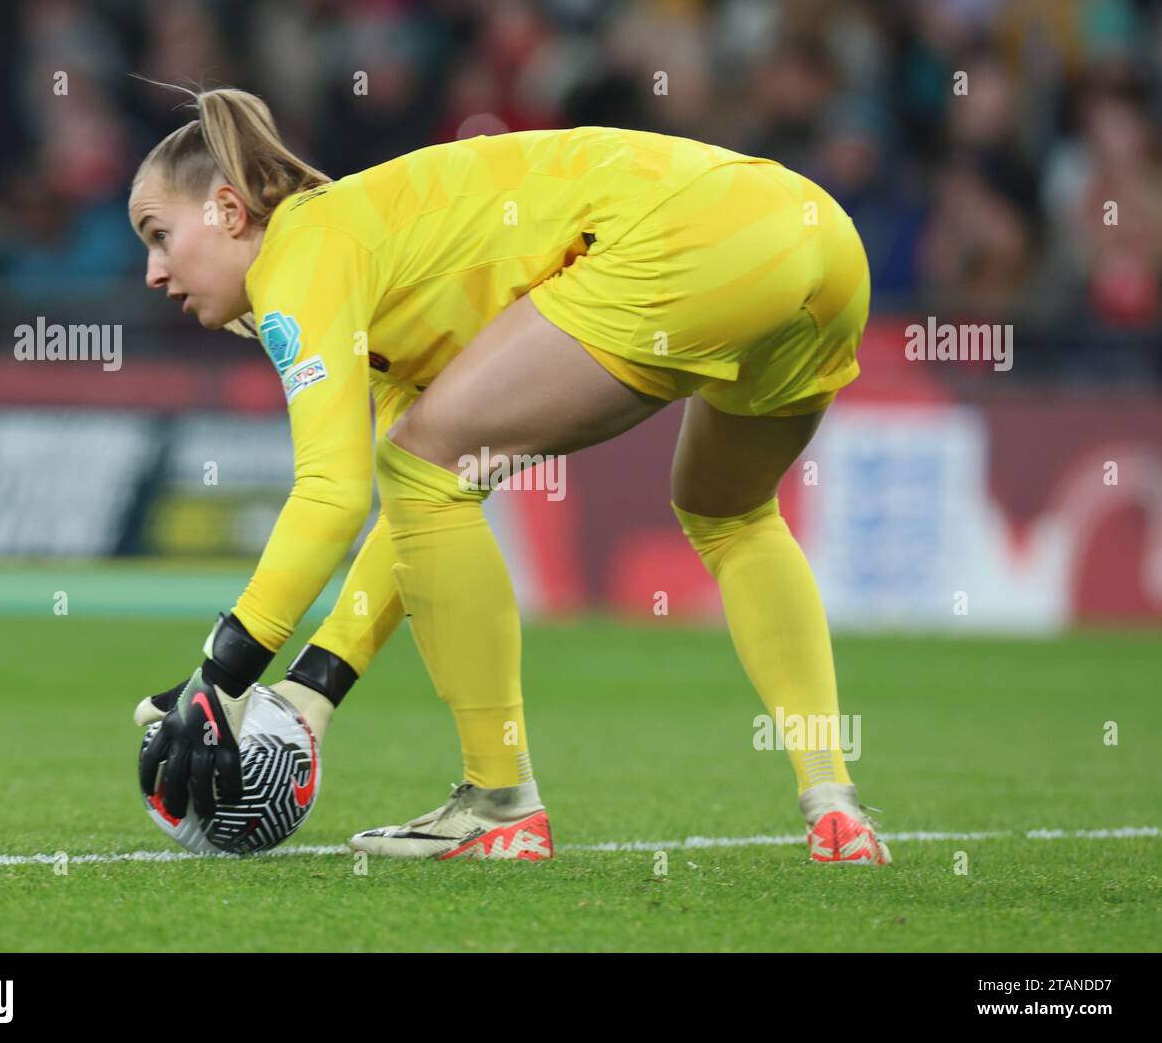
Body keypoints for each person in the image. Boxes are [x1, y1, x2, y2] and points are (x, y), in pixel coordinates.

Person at [130, 84, 889, 865]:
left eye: (159, 235)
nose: (154, 272)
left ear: (227, 211)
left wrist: (221, 673)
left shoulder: (301, 252)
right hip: (815, 235)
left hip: (685, 238)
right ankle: (833, 804)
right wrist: (314, 687)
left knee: (424, 466)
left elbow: (333, 492)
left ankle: (500, 805)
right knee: (729, 514)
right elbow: (416, 516)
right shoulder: (380, 264)